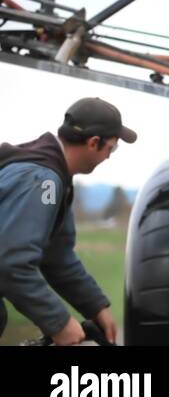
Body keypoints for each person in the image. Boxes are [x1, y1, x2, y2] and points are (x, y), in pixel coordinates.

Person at [0, 97, 137, 345]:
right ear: (94, 142)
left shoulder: (55, 181)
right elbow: (10, 262)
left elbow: (57, 257)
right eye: (112, 148)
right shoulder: (44, 180)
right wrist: (59, 323)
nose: (109, 157)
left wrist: (97, 307)